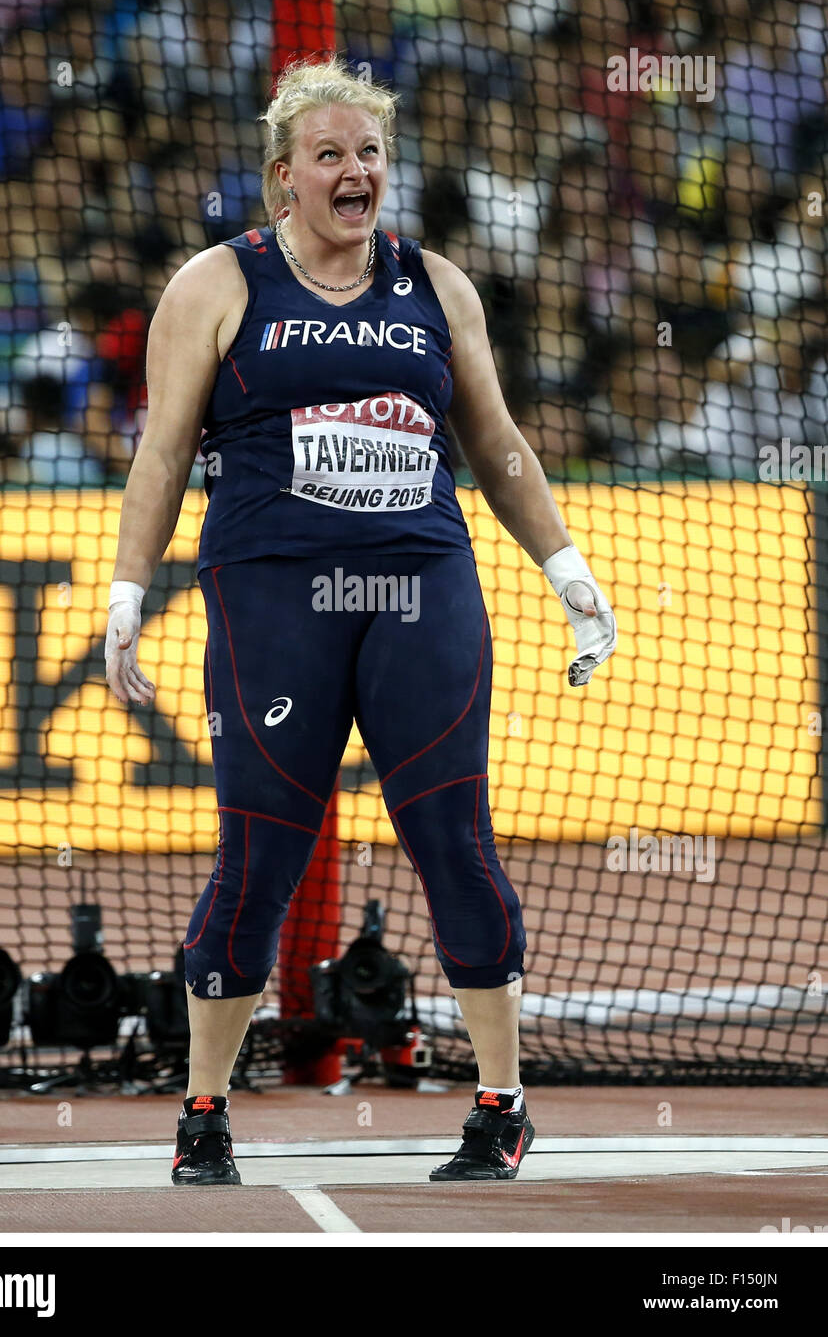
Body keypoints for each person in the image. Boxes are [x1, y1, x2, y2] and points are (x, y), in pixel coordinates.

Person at [104, 57, 617, 1185]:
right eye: (330, 155)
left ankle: (500, 1104)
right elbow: (161, 453)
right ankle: (204, 1110)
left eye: (370, 153)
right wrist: (126, 591)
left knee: (455, 844)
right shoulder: (217, 285)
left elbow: (496, 442)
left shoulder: (437, 285)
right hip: (271, 596)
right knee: (257, 861)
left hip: (420, 588)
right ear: (284, 177)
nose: (356, 172)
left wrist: (569, 569)